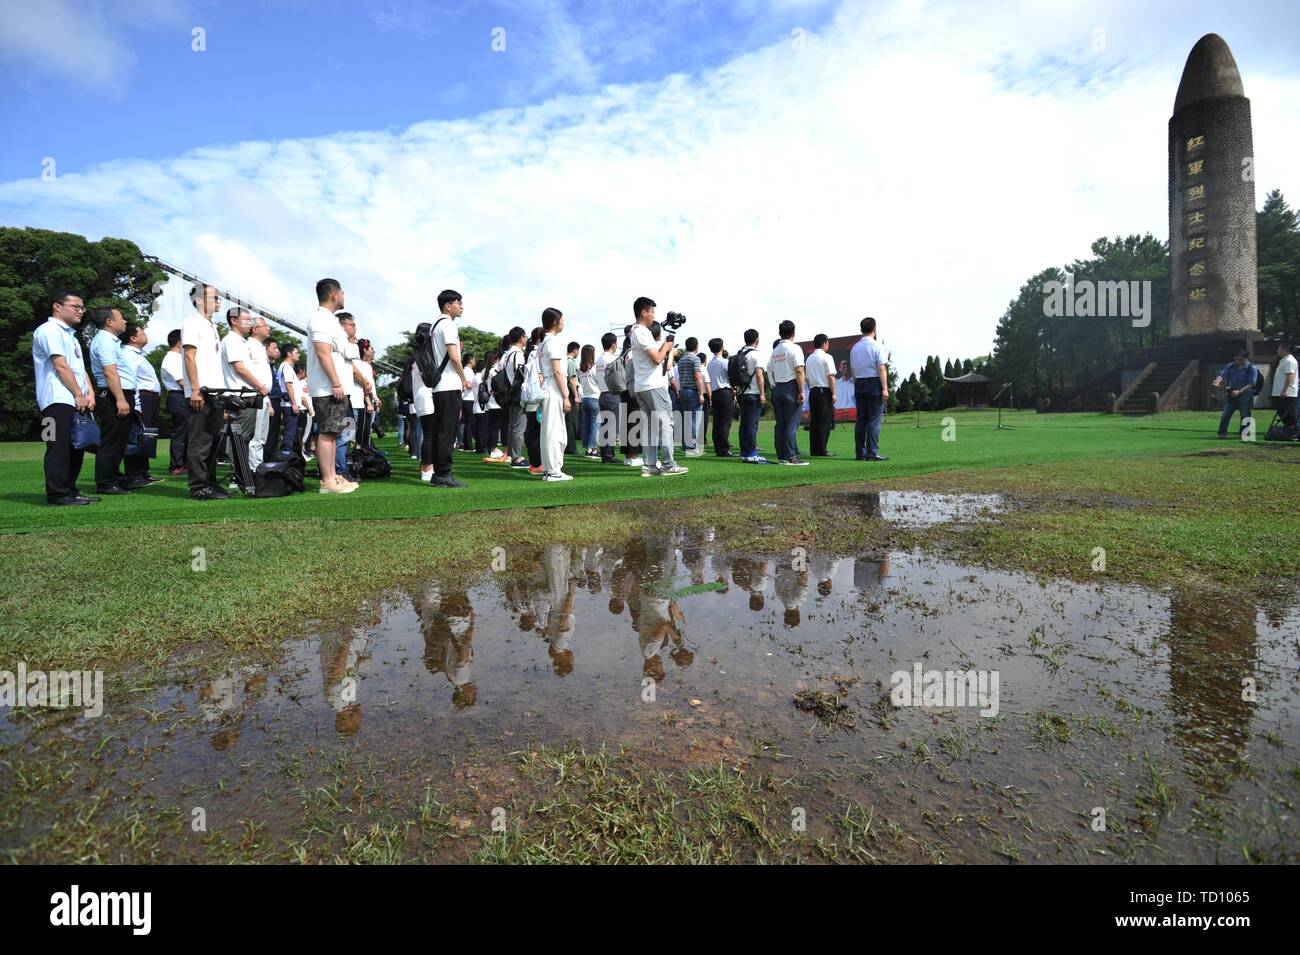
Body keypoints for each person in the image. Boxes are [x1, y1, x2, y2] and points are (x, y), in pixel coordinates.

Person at [32, 290, 96, 505]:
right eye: (75, 307)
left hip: (77, 399)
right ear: (57, 307)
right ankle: (57, 494)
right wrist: (78, 393)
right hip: (55, 399)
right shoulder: (49, 330)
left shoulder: (71, 335)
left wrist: (89, 392)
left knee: (76, 446)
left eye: (82, 307)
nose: (80, 311)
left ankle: (70, 489)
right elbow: (60, 365)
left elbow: (79, 367)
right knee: (57, 446)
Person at [306, 279, 358, 494]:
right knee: (327, 433)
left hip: (336, 387)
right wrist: (335, 382)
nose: (344, 297)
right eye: (342, 293)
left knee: (333, 433)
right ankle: (327, 481)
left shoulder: (330, 321)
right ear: (334, 295)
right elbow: (322, 352)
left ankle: (333, 475)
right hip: (328, 387)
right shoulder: (320, 319)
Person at [630, 296, 688, 477]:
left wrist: (664, 347)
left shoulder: (635, 331)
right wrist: (668, 346)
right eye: (652, 311)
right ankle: (669, 465)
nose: (654, 315)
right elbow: (656, 359)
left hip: (642, 386)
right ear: (644, 312)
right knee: (666, 424)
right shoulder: (642, 331)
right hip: (653, 385)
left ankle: (649, 465)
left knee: (650, 426)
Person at [182, 284, 230, 499]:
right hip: (201, 391)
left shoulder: (210, 325)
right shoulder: (192, 323)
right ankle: (198, 487)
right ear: (199, 300)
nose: (219, 301)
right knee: (199, 442)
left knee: (212, 441)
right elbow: (189, 356)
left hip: (215, 391)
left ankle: (209, 482)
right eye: (214, 297)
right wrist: (194, 389)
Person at [88, 306, 135, 494]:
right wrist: (121, 399)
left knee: (120, 439)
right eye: (121, 318)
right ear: (109, 322)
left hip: (120, 393)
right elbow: (110, 372)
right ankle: (106, 482)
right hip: (114, 394)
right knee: (112, 440)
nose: (124, 321)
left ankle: (114, 476)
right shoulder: (105, 342)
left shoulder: (112, 341)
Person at [428, 290, 470, 488]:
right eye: (458, 303)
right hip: (449, 385)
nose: (461, 306)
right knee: (447, 432)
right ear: (448, 305)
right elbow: (454, 356)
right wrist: (464, 379)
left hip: (439, 386)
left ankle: (439, 473)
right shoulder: (448, 325)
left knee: (440, 431)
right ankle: (444, 473)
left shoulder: (435, 326)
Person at [219, 307, 268, 477]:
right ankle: (239, 475)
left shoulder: (241, 342)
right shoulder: (231, 340)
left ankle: (242, 473)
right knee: (239, 438)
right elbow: (240, 368)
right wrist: (259, 386)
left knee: (245, 437)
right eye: (246, 320)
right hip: (241, 396)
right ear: (234, 321)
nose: (250, 324)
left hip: (248, 395)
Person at [121, 321, 164, 486]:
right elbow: (132, 382)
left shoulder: (139, 354)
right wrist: (137, 404)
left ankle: (143, 471)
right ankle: (133, 474)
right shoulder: (128, 355)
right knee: (137, 435)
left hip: (151, 398)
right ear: (132, 338)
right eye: (142, 333)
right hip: (142, 398)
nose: (146, 335)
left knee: (147, 435)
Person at [768, 320, 809, 466]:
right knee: (791, 424)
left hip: (778, 388)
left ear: (780, 333)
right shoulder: (795, 348)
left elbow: (771, 371)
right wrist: (802, 391)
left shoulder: (775, 351)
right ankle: (791, 456)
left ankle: (782, 456)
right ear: (794, 333)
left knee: (780, 424)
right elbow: (799, 370)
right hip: (791, 388)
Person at [540, 308, 573, 481]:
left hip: (548, 386)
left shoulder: (545, 342)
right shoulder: (552, 342)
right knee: (555, 431)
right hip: (553, 387)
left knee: (550, 430)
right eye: (562, 320)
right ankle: (553, 470)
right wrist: (566, 395)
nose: (563, 323)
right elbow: (558, 371)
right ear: (555, 322)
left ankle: (550, 469)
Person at [850, 316, 889, 461]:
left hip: (859, 382)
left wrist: (856, 384)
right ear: (874, 329)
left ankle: (860, 452)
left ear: (861, 329)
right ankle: (872, 452)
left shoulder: (855, 348)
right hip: (873, 383)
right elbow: (881, 368)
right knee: (874, 420)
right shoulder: (877, 346)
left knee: (861, 420)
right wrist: (884, 388)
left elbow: (853, 370)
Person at [246, 316, 276, 470]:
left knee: (262, 436)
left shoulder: (260, 348)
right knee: (256, 435)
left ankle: (258, 466)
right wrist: (259, 388)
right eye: (265, 326)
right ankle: (253, 469)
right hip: (255, 394)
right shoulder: (248, 346)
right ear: (255, 329)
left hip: (264, 396)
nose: (268, 328)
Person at [1212, 350, 1261, 438]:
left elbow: (1251, 383)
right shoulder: (1231, 366)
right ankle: (1222, 433)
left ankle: (1245, 434)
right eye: (1236, 359)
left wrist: (1240, 391)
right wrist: (1217, 381)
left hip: (1245, 395)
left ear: (1246, 359)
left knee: (1245, 415)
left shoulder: (1251, 368)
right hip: (1231, 394)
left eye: (1240, 359)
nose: (1237, 361)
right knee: (1226, 414)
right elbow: (1222, 375)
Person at [736, 328, 767, 464]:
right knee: (752, 425)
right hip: (753, 392)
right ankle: (752, 453)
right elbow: (759, 375)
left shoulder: (740, 354)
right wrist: (762, 393)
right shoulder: (756, 355)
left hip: (742, 393)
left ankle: (744, 452)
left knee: (743, 424)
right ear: (757, 340)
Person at [160, 329, 188, 475]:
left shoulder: (178, 358)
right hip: (178, 396)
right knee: (181, 431)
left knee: (188, 430)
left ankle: (185, 462)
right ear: (180, 342)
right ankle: (177, 465)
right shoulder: (171, 358)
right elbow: (182, 381)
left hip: (183, 395)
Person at [501, 327, 529, 469]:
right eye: (525, 336)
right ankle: (516, 457)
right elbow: (522, 374)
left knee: (513, 426)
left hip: (510, 393)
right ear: (521, 338)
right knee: (519, 426)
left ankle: (513, 455)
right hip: (518, 393)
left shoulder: (506, 355)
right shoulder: (518, 354)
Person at [806, 333, 837, 457]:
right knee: (824, 422)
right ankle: (822, 449)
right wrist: (834, 394)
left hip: (813, 391)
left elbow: (807, 378)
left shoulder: (809, 358)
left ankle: (814, 449)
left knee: (814, 421)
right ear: (824, 343)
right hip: (824, 391)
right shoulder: (827, 357)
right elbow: (831, 376)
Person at [675, 336, 706, 457]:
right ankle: (692, 446)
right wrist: (701, 393)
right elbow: (698, 376)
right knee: (694, 420)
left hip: (683, 390)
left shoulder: (681, 360)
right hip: (693, 391)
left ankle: (685, 444)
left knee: (686, 419)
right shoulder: (696, 359)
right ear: (696, 346)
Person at [706, 337, 734, 457]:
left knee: (717, 422)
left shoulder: (710, 364)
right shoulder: (725, 362)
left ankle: (718, 448)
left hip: (714, 393)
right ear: (722, 348)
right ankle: (724, 448)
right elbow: (731, 377)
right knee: (725, 422)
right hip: (724, 391)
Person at [595, 332, 620, 463]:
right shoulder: (611, 359)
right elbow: (617, 377)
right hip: (612, 394)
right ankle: (609, 456)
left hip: (602, 394)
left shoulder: (599, 359)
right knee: (611, 427)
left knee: (605, 426)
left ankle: (606, 455)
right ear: (613, 344)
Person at [578, 344, 601, 458]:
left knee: (586, 425)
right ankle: (593, 449)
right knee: (595, 425)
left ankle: (587, 448)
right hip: (595, 397)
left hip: (585, 398)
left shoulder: (580, 368)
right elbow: (599, 382)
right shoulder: (594, 368)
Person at [279, 344, 302, 456]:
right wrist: (294, 404)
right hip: (289, 405)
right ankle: (287, 454)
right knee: (290, 431)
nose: (299, 355)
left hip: (288, 404)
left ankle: (287, 453)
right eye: (296, 352)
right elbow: (289, 385)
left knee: (290, 431)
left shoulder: (286, 367)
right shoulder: (287, 367)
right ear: (289, 353)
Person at [264, 338, 283, 457]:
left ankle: (271, 455)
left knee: (274, 432)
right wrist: (270, 404)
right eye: (274, 348)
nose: (277, 351)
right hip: (269, 400)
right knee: (268, 432)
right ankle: (266, 458)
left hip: (276, 400)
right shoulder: (264, 365)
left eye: (277, 348)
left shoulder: (273, 366)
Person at [1270, 342, 1297, 428]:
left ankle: (1293, 427)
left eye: (1279, 349)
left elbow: (1290, 375)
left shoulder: (1289, 361)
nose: (1277, 351)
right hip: (1279, 392)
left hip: (1286, 393)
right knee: (1280, 410)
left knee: (1287, 412)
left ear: (1284, 350)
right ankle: (1288, 426)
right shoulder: (1283, 361)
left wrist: (1285, 390)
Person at [563, 341, 581, 456]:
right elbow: (572, 380)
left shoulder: (564, 360)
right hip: (570, 393)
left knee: (567, 421)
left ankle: (568, 445)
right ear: (575, 351)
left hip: (565, 392)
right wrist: (576, 396)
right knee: (572, 421)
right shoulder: (571, 362)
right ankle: (571, 447)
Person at [458, 352, 477, 452]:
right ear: (470, 360)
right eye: (474, 359)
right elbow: (468, 385)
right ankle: (468, 445)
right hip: (469, 399)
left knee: (465, 423)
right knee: (469, 423)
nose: (475, 361)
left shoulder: (465, 370)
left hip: (465, 399)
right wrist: (477, 384)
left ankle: (465, 444)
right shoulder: (468, 371)